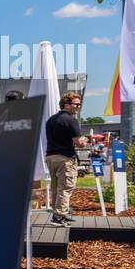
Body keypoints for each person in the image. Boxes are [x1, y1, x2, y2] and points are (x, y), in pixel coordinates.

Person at [45, 93, 87, 224]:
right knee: (66, 187)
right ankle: (58, 217)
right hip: (65, 157)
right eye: (76, 104)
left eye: (79, 104)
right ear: (66, 104)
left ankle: (59, 212)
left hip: (51, 156)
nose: (78, 107)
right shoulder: (71, 120)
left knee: (56, 187)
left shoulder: (51, 120)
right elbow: (79, 142)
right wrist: (84, 140)